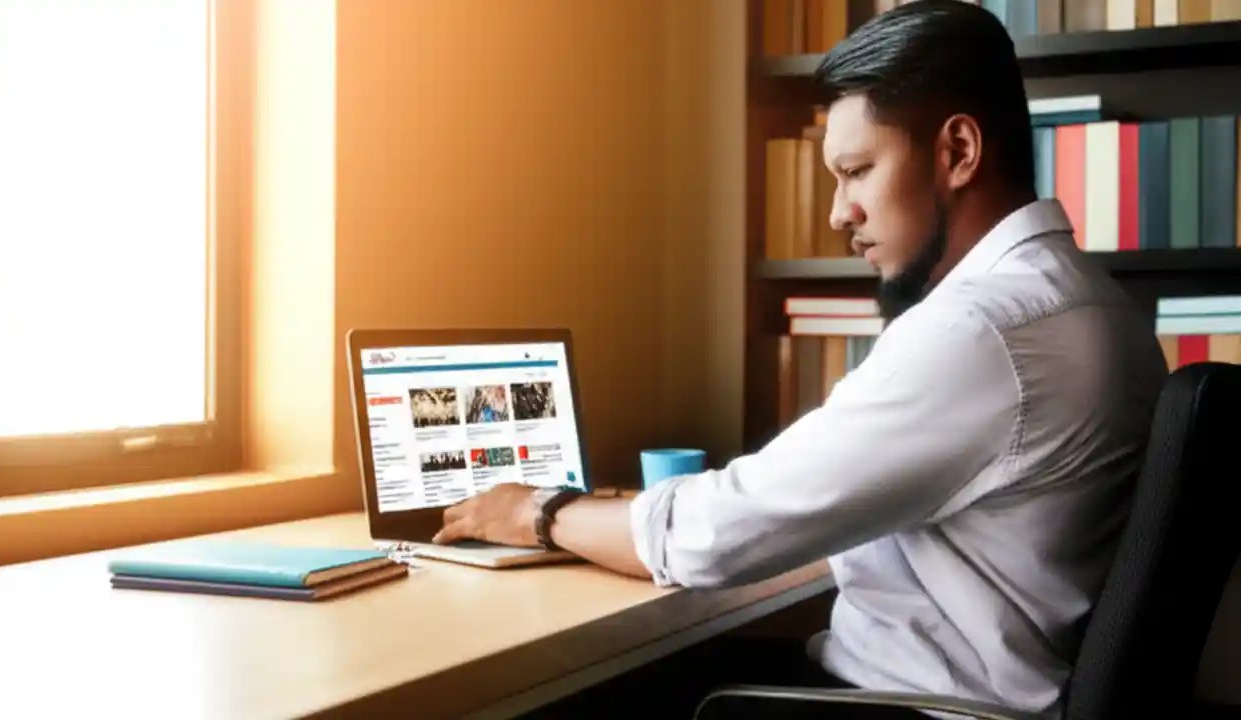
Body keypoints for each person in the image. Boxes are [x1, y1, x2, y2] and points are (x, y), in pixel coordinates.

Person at [432, 1, 1169, 718]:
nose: (837, 212)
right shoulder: (1097, 307)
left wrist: (540, 511)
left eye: (856, 170)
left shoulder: (979, 332)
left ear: (959, 152)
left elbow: (714, 538)